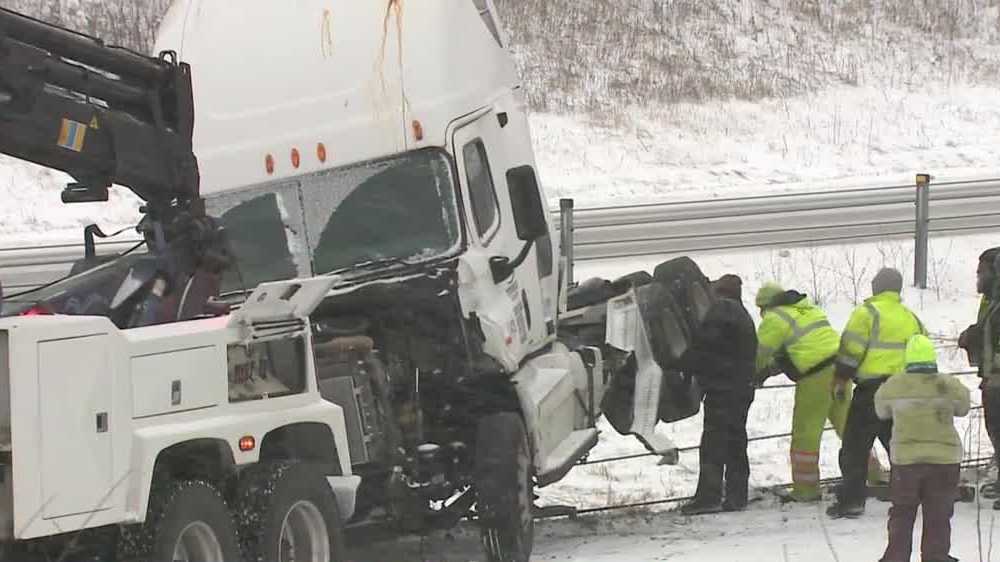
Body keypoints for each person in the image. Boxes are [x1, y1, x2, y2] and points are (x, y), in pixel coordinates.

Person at [753, 283, 885, 502]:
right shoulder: (809, 310)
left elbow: (760, 354)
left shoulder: (775, 318)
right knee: (850, 429)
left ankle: (806, 490)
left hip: (816, 378)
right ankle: (874, 475)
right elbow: (806, 345)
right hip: (840, 371)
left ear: (767, 305)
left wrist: (753, 374)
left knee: (806, 433)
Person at [827, 267, 926, 518]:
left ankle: (852, 501)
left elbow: (850, 351)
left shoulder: (867, 313)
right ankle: (910, 495)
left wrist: (840, 379)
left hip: (872, 390)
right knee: (899, 446)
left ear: (878, 286)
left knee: (855, 447)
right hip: (903, 390)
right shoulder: (910, 317)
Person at [874, 334, 970, 562]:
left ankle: (896, 557)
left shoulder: (894, 384)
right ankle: (935, 556)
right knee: (939, 512)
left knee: (902, 512)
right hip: (944, 461)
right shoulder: (946, 383)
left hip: (906, 462)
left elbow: (881, 411)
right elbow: (964, 406)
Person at [678, 274, 757, 514]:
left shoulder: (722, 311)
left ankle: (708, 497)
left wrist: (681, 362)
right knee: (735, 442)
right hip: (741, 388)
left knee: (713, 444)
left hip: (723, 389)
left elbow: (706, 347)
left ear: (719, 292)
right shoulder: (741, 313)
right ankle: (737, 496)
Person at [958, 247, 1000, 507]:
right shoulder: (991, 304)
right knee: (995, 431)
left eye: (982, 273)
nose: (978, 279)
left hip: (997, 379)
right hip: (992, 379)